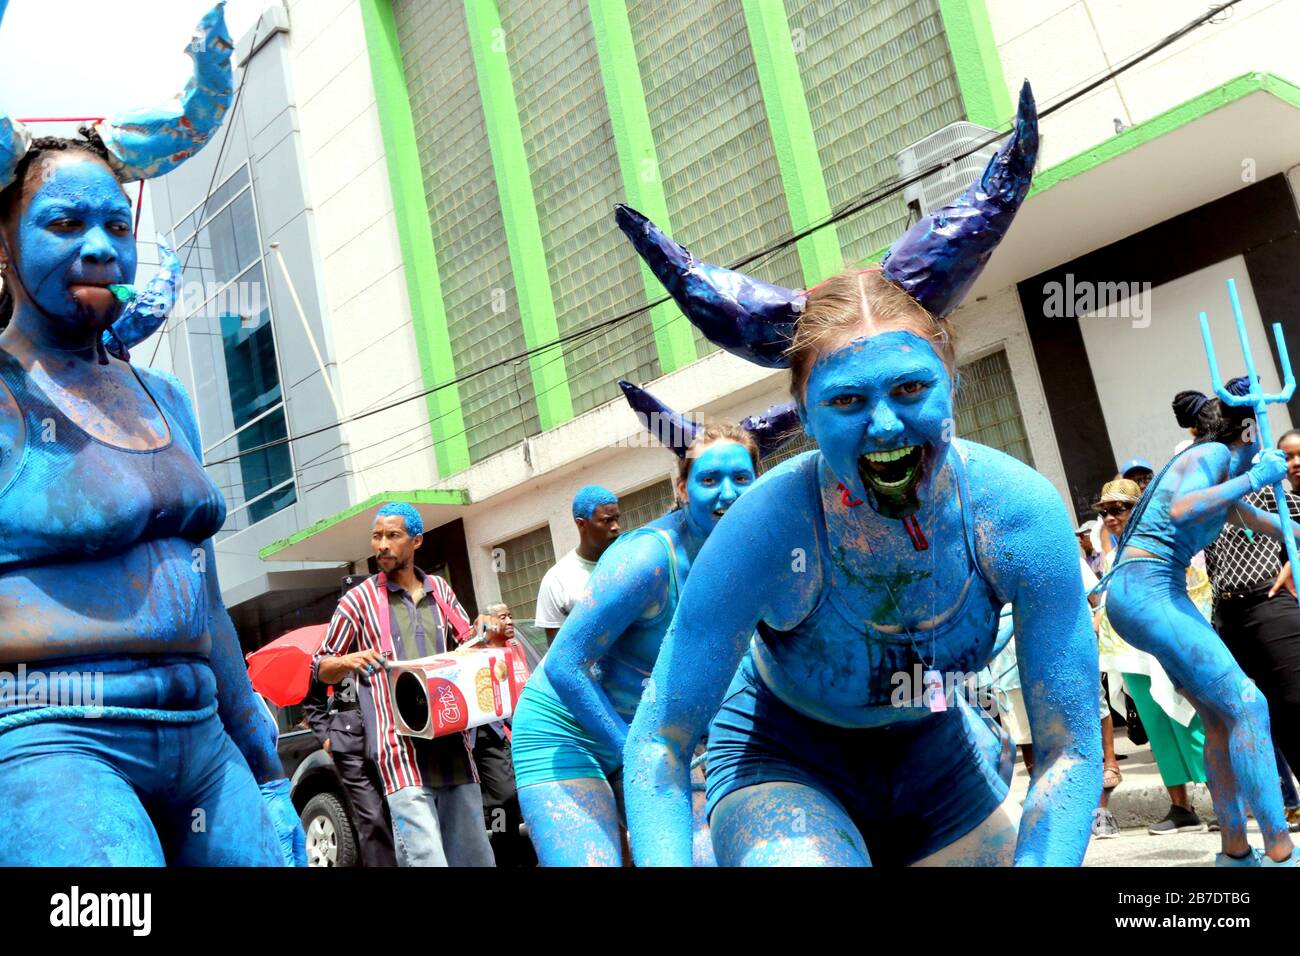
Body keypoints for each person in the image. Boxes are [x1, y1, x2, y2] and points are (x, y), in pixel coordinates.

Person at [623, 84, 1103, 868]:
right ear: (806, 420)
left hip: (940, 771)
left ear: (951, 380)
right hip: (783, 765)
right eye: (846, 400)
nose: (883, 425)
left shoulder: (1019, 516)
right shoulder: (767, 526)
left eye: (910, 389)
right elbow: (662, 744)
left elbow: (1069, 748)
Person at [0, 4, 304, 866]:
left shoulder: (165, 396)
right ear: (4, 243)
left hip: (204, 744)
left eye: (116, 226)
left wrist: (269, 772)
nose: (99, 246)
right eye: (63, 224)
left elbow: (204, 600)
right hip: (51, 741)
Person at [511, 411, 760, 866]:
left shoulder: (757, 558)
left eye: (741, 476)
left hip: (656, 737)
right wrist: (635, 755)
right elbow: (565, 662)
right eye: (709, 479)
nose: (728, 492)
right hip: (565, 734)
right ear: (682, 490)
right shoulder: (648, 559)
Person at [1104, 382, 1299, 865]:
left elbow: (1270, 524)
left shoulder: (1218, 477)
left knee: (1219, 720)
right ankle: (1278, 847)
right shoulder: (1210, 455)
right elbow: (1182, 508)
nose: (1262, 448)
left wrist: (1292, 535)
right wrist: (1258, 476)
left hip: (1147, 593)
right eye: (1259, 436)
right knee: (1249, 705)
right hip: (1148, 590)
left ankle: (1235, 846)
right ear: (1248, 432)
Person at [314, 503, 496, 867]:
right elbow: (320, 666)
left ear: (416, 542)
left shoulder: (441, 592)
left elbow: (470, 644)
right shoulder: (358, 601)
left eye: (392, 536)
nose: (381, 545)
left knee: (475, 859)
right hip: (400, 757)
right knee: (426, 858)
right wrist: (348, 661)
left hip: (454, 749)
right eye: (376, 536)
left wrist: (489, 630)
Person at [1092, 479, 1210, 837]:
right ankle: (1181, 808)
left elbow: (1195, 592)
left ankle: (1222, 801)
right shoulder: (1112, 558)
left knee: (1191, 726)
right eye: (1105, 512)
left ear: (1138, 508)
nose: (1111, 518)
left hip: (1169, 648)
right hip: (1132, 655)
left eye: (1119, 509)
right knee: (1159, 730)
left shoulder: (1164, 543)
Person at [1204, 426, 1300, 832]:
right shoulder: (1212, 504)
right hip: (1230, 617)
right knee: (1264, 715)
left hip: (1271, 607)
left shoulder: (1272, 495)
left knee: (1296, 704)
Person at [301, 673, 397, 866]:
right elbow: (313, 702)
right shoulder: (334, 653)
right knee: (373, 817)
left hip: (391, 739)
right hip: (350, 746)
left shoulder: (386, 647)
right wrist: (327, 739)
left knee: (401, 811)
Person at [471, 602, 536, 866]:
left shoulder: (517, 647)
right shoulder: (479, 650)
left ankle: (526, 853)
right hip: (494, 737)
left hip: (524, 733)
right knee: (502, 799)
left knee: (522, 797)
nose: (509, 621)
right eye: (502, 617)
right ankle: (503, 852)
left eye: (510, 616)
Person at [534, 485, 621, 642]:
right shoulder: (556, 581)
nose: (616, 527)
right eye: (607, 521)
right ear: (581, 524)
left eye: (616, 519)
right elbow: (558, 654)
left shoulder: (628, 562)